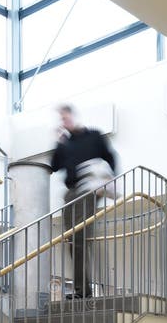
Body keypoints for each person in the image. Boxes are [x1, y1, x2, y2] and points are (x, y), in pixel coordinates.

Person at [50, 104, 118, 299]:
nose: (64, 122)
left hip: (89, 190)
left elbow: (110, 158)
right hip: (71, 193)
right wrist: (59, 142)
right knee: (73, 240)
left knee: (78, 239)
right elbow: (54, 166)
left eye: (65, 117)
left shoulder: (93, 136)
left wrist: (106, 184)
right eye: (61, 119)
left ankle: (84, 291)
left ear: (72, 116)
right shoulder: (66, 144)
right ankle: (83, 289)